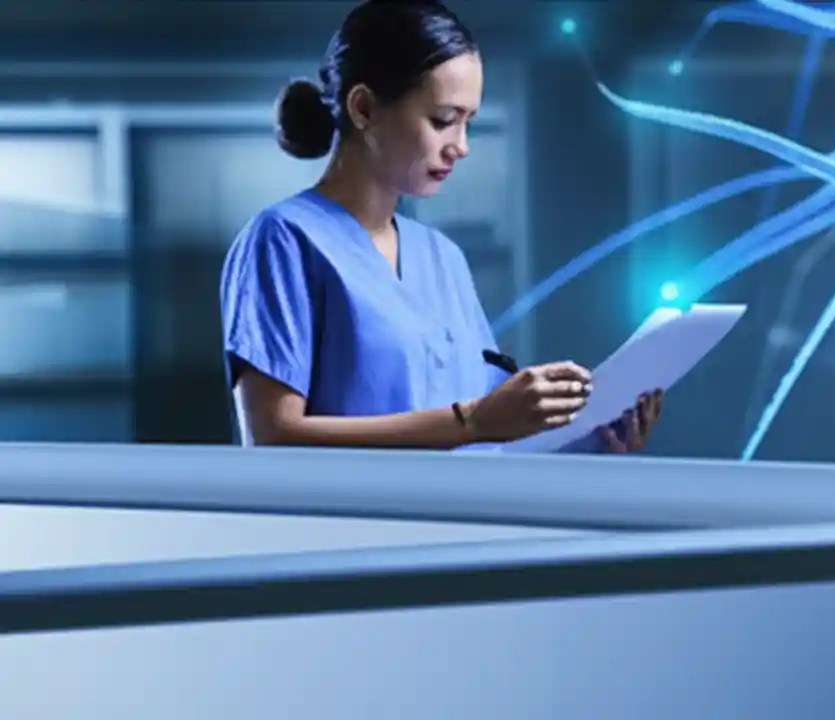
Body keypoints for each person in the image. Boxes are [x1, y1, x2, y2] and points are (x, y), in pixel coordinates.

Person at [219, 0, 661, 452]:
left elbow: (489, 447)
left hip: (463, 503)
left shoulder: (443, 258)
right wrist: (473, 420)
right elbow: (273, 435)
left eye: (468, 123)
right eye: (443, 121)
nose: (460, 147)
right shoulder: (283, 240)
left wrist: (592, 440)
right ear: (364, 108)